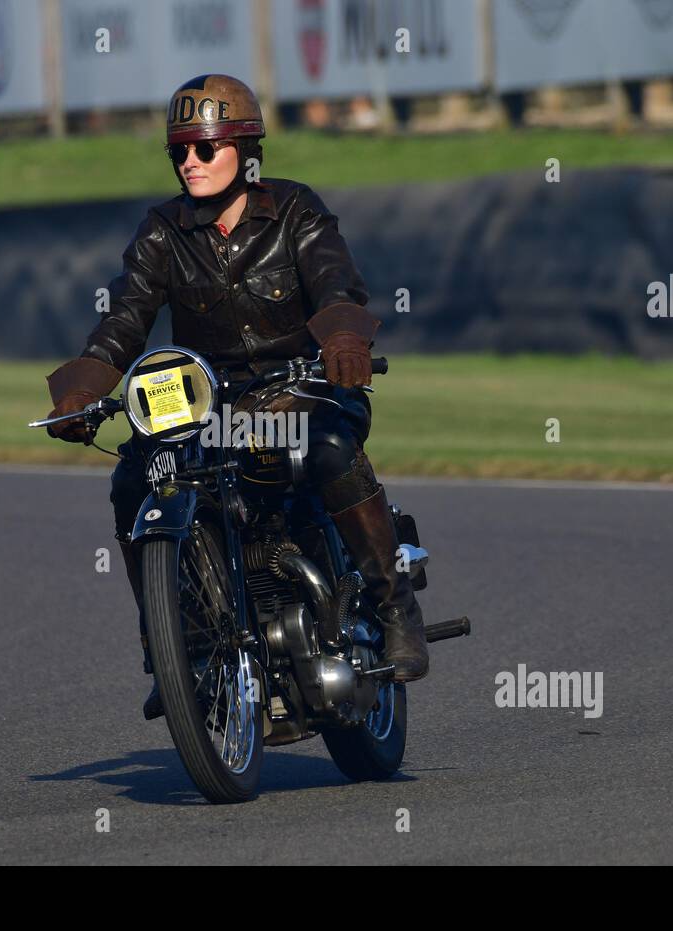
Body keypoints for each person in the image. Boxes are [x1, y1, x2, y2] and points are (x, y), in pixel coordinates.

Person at [43, 75, 427, 718]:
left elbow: (337, 286)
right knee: (135, 476)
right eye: (179, 152)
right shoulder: (164, 231)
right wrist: (79, 392)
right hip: (212, 409)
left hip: (306, 392)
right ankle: (171, 646)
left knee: (329, 453)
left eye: (204, 148)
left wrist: (343, 343)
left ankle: (395, 607)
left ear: (245, 150)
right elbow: (124, 318)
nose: (188, 162)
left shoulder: (297, 211)